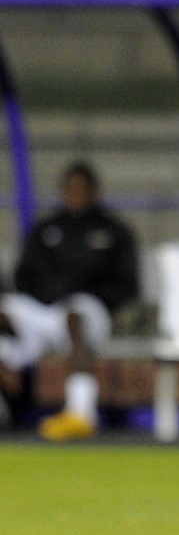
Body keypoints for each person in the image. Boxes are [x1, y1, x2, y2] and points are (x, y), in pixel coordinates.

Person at [0, 160, 140, 441]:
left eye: (82, 189)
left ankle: (80, 412)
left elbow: (128, 285)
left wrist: (95, 297)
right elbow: (24, 275)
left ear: (94, 192)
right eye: (71, 188)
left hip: (90, 310)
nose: (76, 194)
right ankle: (7, 377)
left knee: (74, 315)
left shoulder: (113, 232)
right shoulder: (46, 229)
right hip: (43, 311)